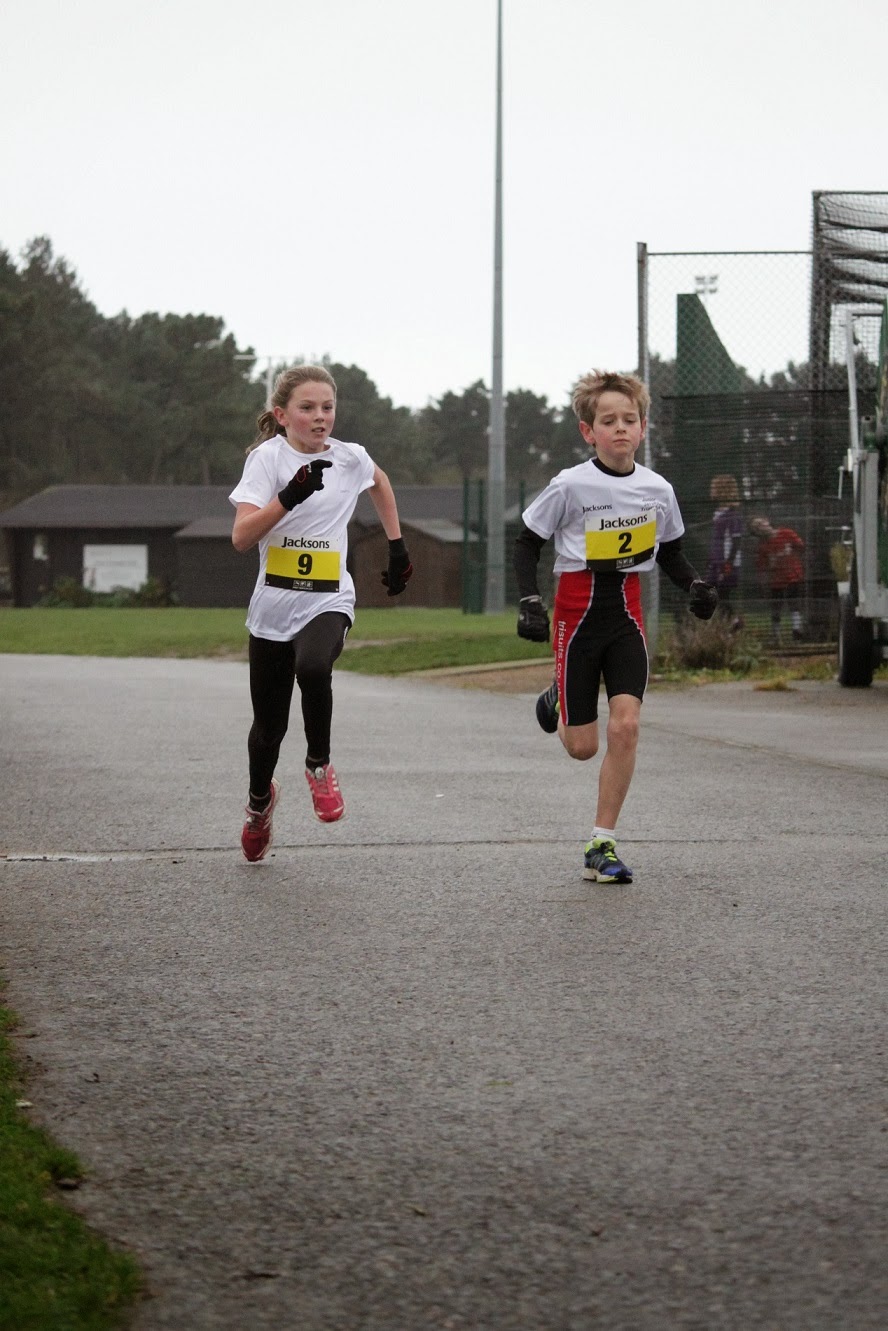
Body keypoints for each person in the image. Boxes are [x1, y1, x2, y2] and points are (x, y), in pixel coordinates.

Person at [513, 370, 717, 886]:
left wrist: (694, 585)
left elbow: (670, 552)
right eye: (609, 421)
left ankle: (601, 844)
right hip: (577, 616)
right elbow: (527, 541)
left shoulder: (657, 489)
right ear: (589, 432)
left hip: (626, 616)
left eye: (630, 419)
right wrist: (530, 600)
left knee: (625, 725)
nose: (620, 428)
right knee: (583, 748)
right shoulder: (570, 485)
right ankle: (558, 696)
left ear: (643, 427)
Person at [230, 365, 412, 862]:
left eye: (327, 407)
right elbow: (242, 537)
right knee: (267, 731)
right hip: (272, 608)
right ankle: (259, 804)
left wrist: (397, 546)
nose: (319, 417)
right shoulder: (267, 460)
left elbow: (380, 482)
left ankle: (319, 765)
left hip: (329, 599)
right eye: (307, 408)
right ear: (281, 414)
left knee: (314, 667)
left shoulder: (350, 458)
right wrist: (289, 496)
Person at [749, 516, 805, 644]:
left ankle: (797, 631)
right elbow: (762, 567)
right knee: (776, 607)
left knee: (794, 604)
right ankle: (775, 635)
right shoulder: (763, 547)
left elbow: (800, 546)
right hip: (776, 581)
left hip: (793, 577)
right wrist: (764, 583)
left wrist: (794, 555)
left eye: (760, 523)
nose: (760, 527)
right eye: (756, 528)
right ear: (756, 533)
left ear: (767, 521)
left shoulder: (786, 533)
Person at [706, 474, 744, 626]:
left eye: (714, 488)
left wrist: (728, 563)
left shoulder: (733, 515)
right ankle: (728, 625)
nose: (711, 491)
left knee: (722, 595)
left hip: (727, 563)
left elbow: (736, 541)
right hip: (716, 563)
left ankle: (734, 623)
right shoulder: (717, 513)